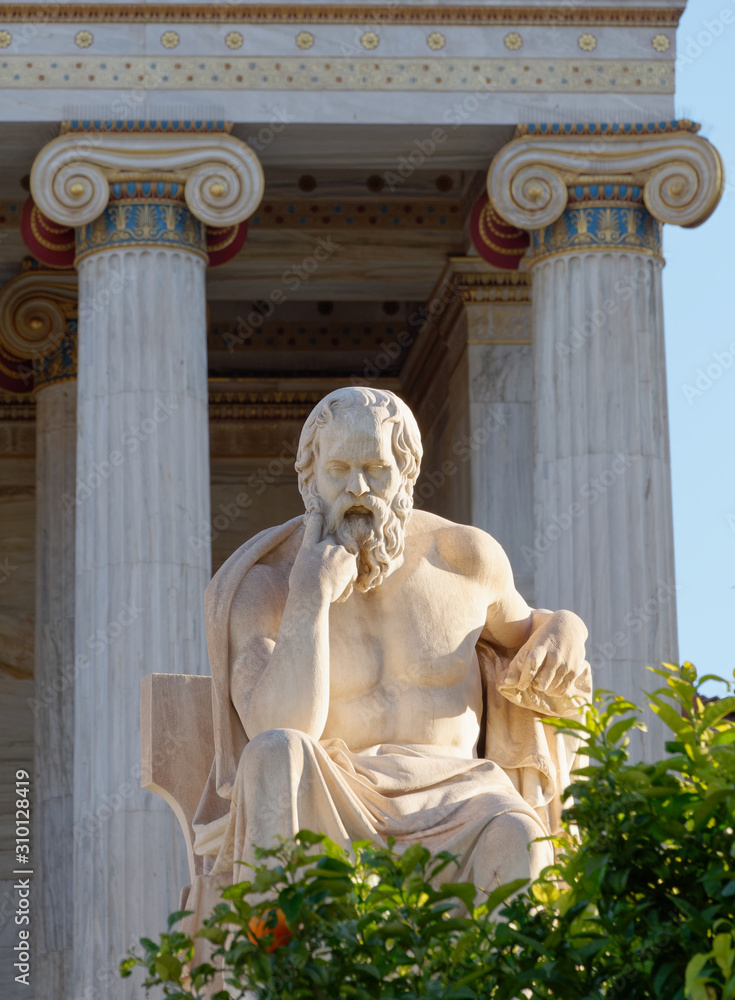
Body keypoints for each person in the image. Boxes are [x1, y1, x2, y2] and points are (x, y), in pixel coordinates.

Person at [189, 386, 591, 918]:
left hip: (462, 802)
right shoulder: (265, 585)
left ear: (407, 475)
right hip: (335, 796)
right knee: (273, 754)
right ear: (308, 479)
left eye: (376, 469)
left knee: (518, 833)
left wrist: (567, 626)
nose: (357, 487)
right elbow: (279, 727)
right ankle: (277, 977)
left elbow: (530, 635)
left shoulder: (464, 557)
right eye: (339, 469)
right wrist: (309, 599)